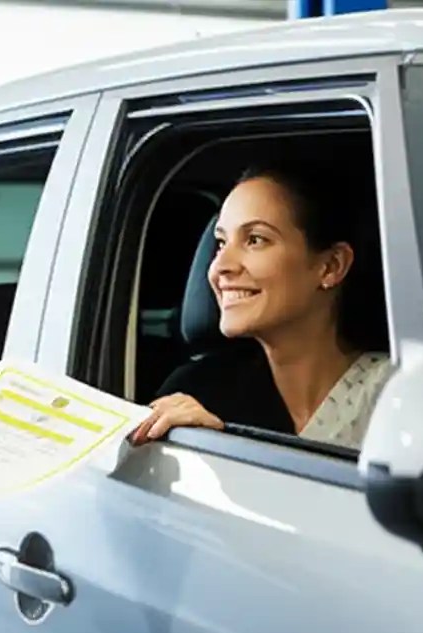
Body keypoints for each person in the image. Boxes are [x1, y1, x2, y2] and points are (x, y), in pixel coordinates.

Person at [130, 155, 393, 450]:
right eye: (220, 243)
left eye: (255, 239)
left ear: (331, 266)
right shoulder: (195, 393)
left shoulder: (399, 398)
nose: (220, 267)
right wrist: (203, 449)